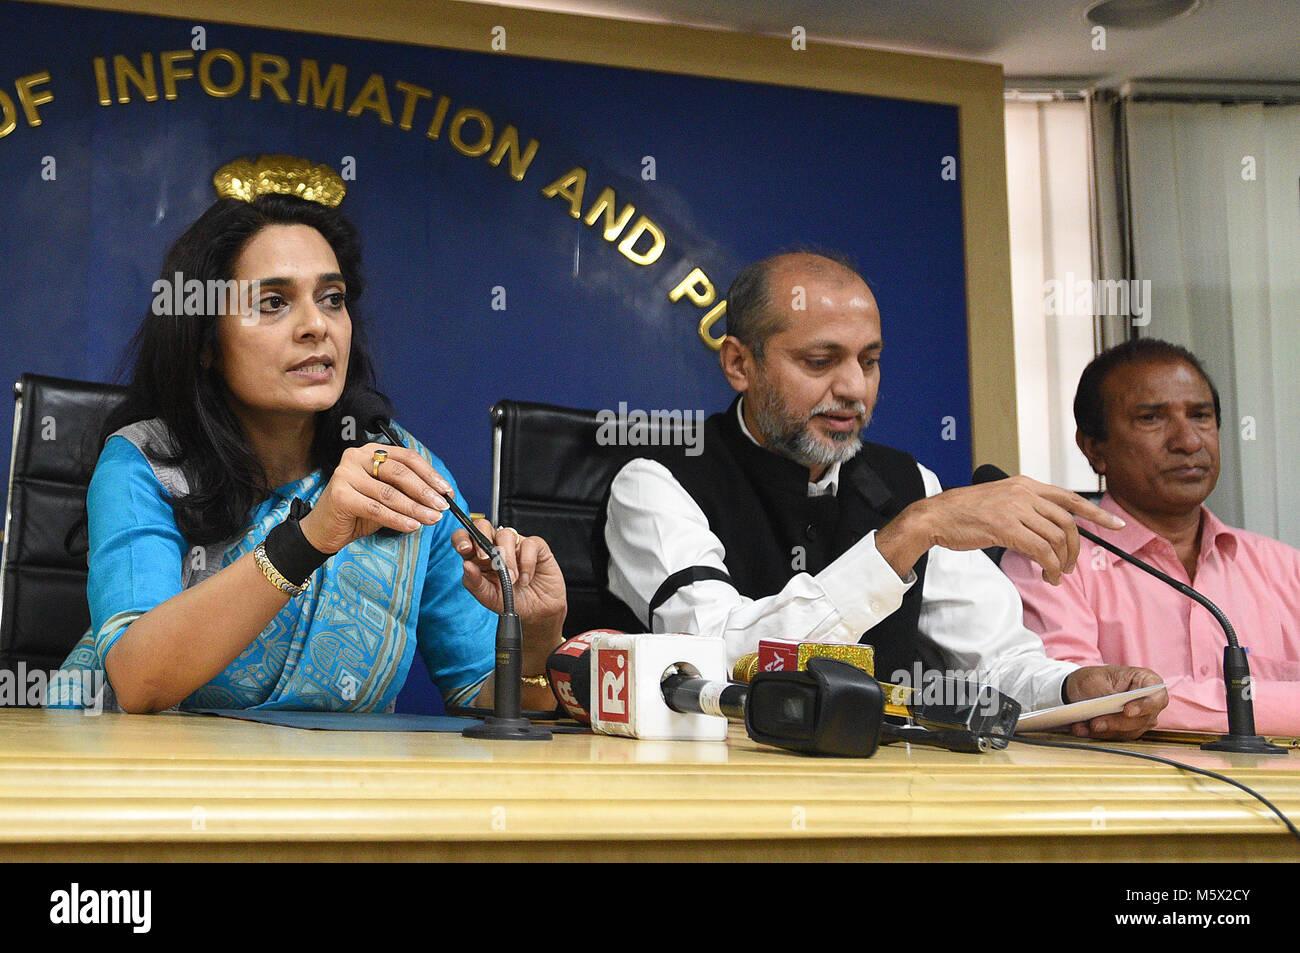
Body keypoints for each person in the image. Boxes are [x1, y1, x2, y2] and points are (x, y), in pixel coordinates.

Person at [53, 161, 565, 714]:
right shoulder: (148, 463)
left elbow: (483, 694)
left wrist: (535, 641)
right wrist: (312, 536)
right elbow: (139, 681)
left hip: (329, 792)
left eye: (332, 299)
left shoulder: (404, 471)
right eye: (273, 303)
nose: (316, 325)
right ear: (205, 341)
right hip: (126, 779)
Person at [603, 251, 1166, 738]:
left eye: (869, 361)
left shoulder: (906, 484)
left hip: (887, 790)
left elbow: (996, 664)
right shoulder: (656, 480)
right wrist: (906, 536)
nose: (853, 389)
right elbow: (718, 656)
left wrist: (1073, 688)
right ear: (739, 364)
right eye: (820, 362)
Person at [1002, 339, 1299, 735]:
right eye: (1151, 418)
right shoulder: (1051, 556)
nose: (1188, 441)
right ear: (1093, 449)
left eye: (1201, 416)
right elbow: (1076, 704)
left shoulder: (1285, 568)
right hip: (1123, 795)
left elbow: (1122, 706)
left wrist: (1155, 701)